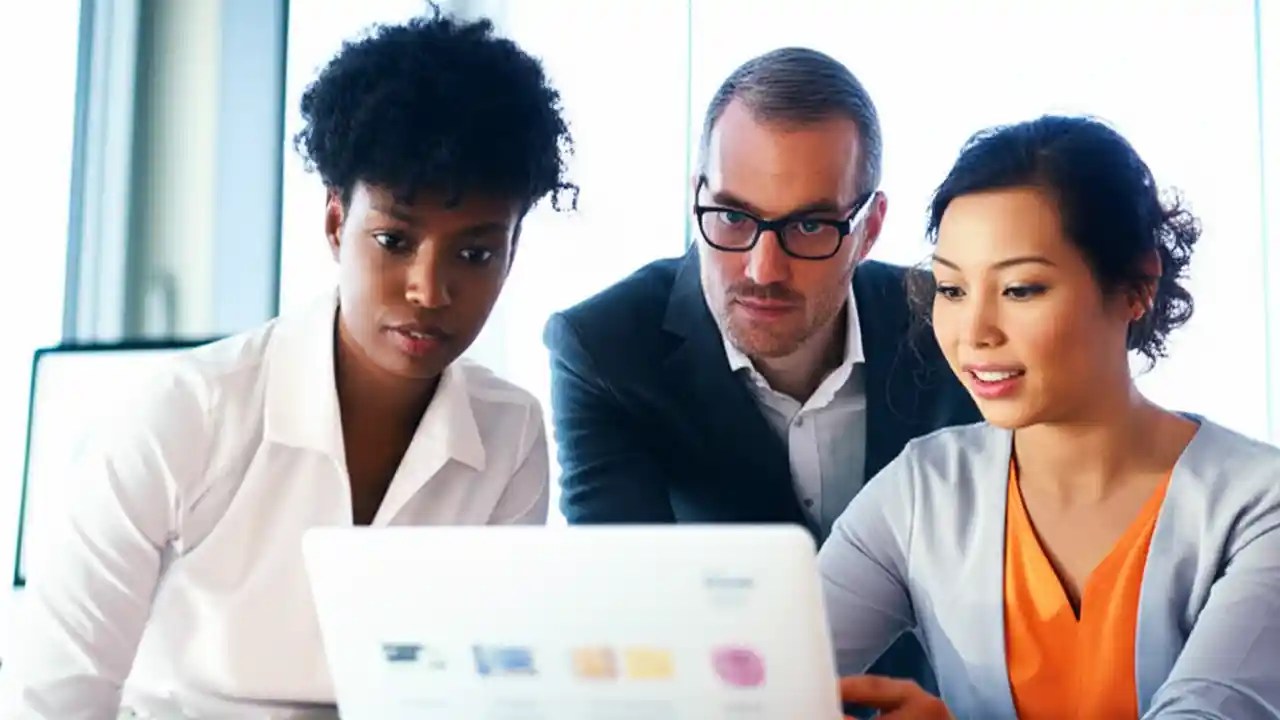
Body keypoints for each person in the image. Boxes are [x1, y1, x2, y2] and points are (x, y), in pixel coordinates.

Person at [0, 9, 574, 718]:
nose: (431, 289)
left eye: (476, 253)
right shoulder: (188, 409)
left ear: (512, 253)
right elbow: (55, 692)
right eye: (394, 240)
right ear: (337, 223)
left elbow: (485, 696)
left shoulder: (510, 437)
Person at [543, 48, 978, 691]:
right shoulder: (605, 349)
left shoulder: (953, 327)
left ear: (870, 227)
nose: (762, 268)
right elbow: (626, 620)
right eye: (733, 217)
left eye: (809, 225)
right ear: (699, 197)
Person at [821, 115, 1280, 719]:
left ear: (1137, 286)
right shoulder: (923, 491)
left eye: (1020, 290)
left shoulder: (1256, 508)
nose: (975, 334)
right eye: (952, 290)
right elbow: (756, 682)